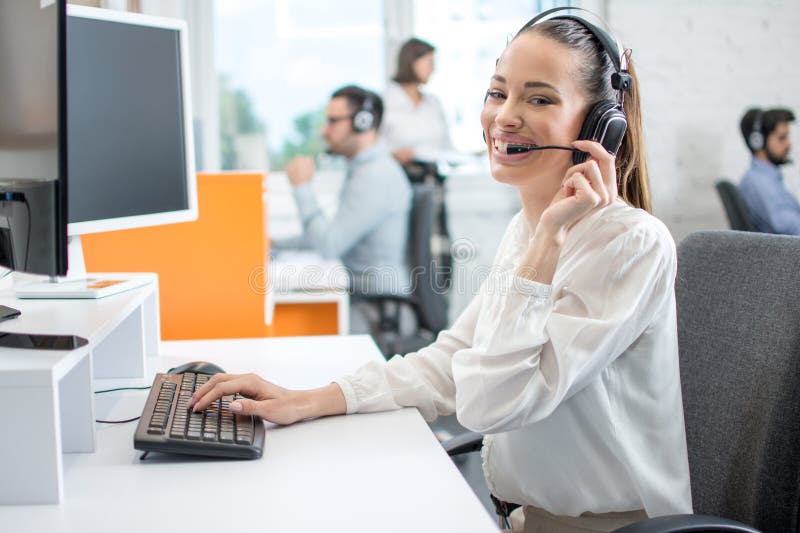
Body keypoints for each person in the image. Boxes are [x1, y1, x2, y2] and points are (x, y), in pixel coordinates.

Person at [191, 10, 691, 532]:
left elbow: (489, 403)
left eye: (539, 99)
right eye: (497, 93)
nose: (504, 117)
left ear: (601, 126)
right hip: (523, 519)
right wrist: (308, 400)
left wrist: (546, 243)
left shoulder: (628, 246)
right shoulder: (528, 228)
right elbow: (453, 360)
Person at [272, 85, 412, 298]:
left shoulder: (375, 176)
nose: (324, 131)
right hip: (364, 297)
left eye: (333, 121)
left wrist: (302, 187)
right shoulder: (362, 169)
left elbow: (328, 246)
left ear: (363, 123)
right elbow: (325, 237)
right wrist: (273, 244)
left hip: (376, 305)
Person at [381, 37, 452, 168]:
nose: (433, 69)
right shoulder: (385, 102)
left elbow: (447, 147)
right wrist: (394, 154)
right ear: (412, 62)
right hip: (398, 174)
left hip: (434, 175)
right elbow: (371, 147)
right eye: (429, 63)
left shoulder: (433, 103)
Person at [738, 107, 797, 234]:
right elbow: (787, 225)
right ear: (758, 142)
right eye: (782, 138)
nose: (788, 144)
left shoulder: (765, 179)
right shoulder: (759, 182)